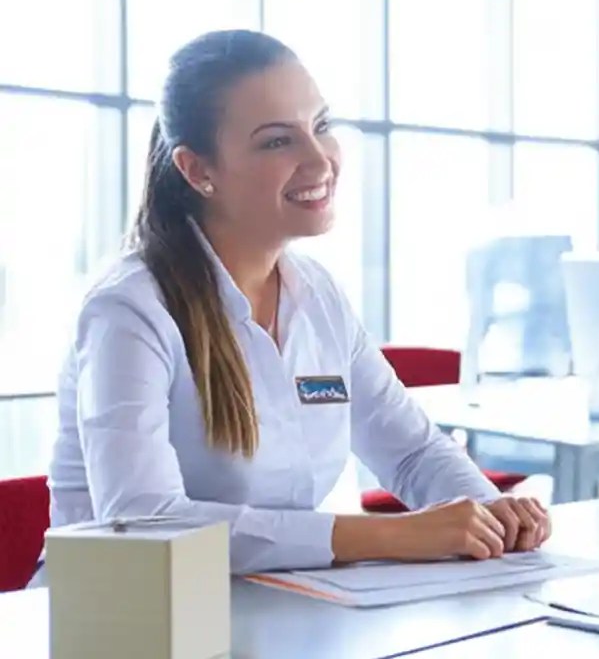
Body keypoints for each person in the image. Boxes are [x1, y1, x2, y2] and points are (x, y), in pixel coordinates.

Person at [40, 30, 551, 579]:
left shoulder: (317, 295)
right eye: (277, 141)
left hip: (270, 606)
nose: (320, 159)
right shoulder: (130, 309)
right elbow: (143, 523)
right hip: (123, 618)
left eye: (321, 126)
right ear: (197, 170)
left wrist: (488, 514)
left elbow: (412, 452)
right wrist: (392, 534)